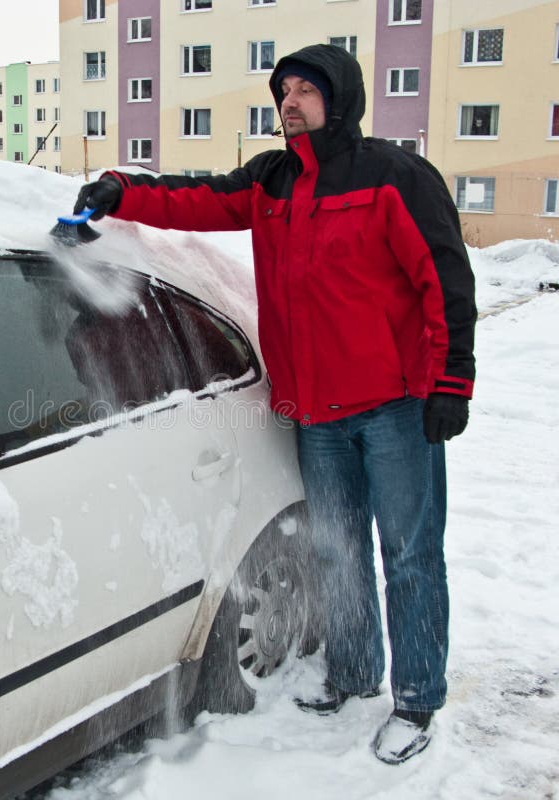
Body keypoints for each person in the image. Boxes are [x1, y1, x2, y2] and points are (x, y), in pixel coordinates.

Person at [71, 43, 476, 764]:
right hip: (318, 415)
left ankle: (416, 698)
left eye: (305, 91)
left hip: (394, 406)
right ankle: (353, 675)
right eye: (282, 90)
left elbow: (445, 281)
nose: (289, 102)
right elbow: (194, 199)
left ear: (340, 98)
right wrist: (119, 193)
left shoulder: (394, 177)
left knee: (409, 555)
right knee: (340, 550)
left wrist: (450, 383)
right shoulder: (272, 182)